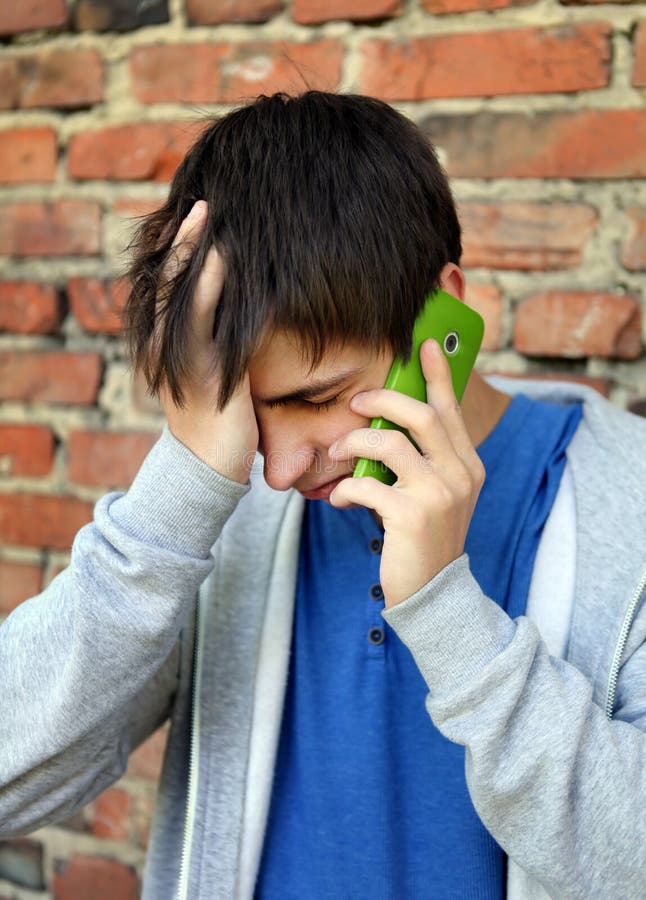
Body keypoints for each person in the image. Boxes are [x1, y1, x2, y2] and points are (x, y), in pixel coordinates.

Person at [1, 91, 645, 900]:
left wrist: (452, 621)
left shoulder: (632, 503)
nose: (277, 470)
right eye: (242, 408)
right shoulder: (224, 509)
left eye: (313, 399)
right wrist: (176, 500)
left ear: (443, 310)